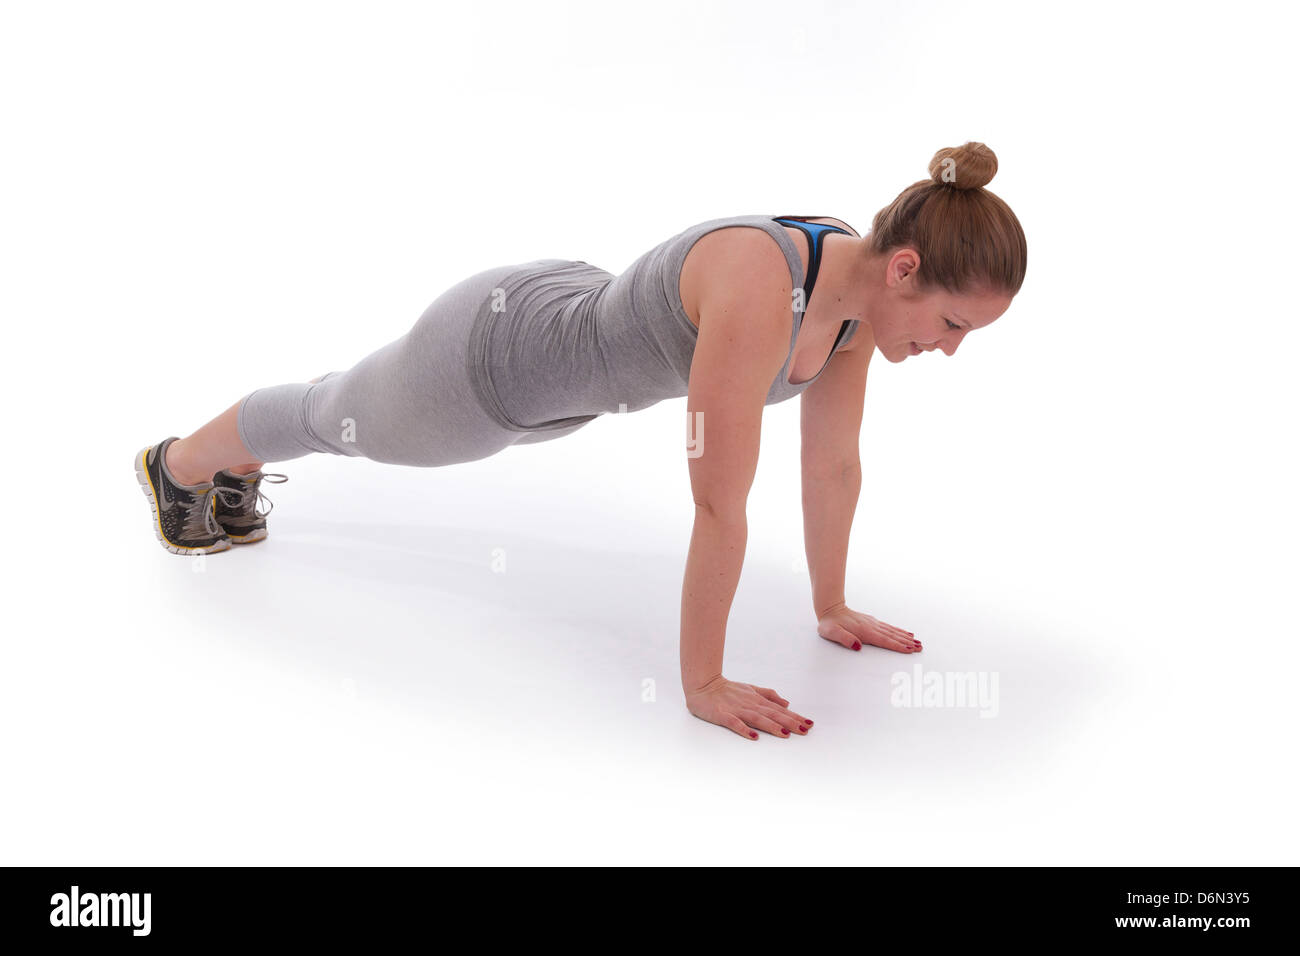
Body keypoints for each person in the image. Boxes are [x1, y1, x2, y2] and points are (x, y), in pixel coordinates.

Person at [133, 141, 1027, 741]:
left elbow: (831, 464)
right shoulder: (765, 288)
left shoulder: (854, 303)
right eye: (952, 323)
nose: (948, 349)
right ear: (905, 267)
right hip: (492, 362)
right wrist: (702, 683)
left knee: (342, 415)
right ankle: (179, 465)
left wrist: (830, 607)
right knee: (338, 418)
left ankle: (221, 466)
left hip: (565, 348)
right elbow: (718, 501)